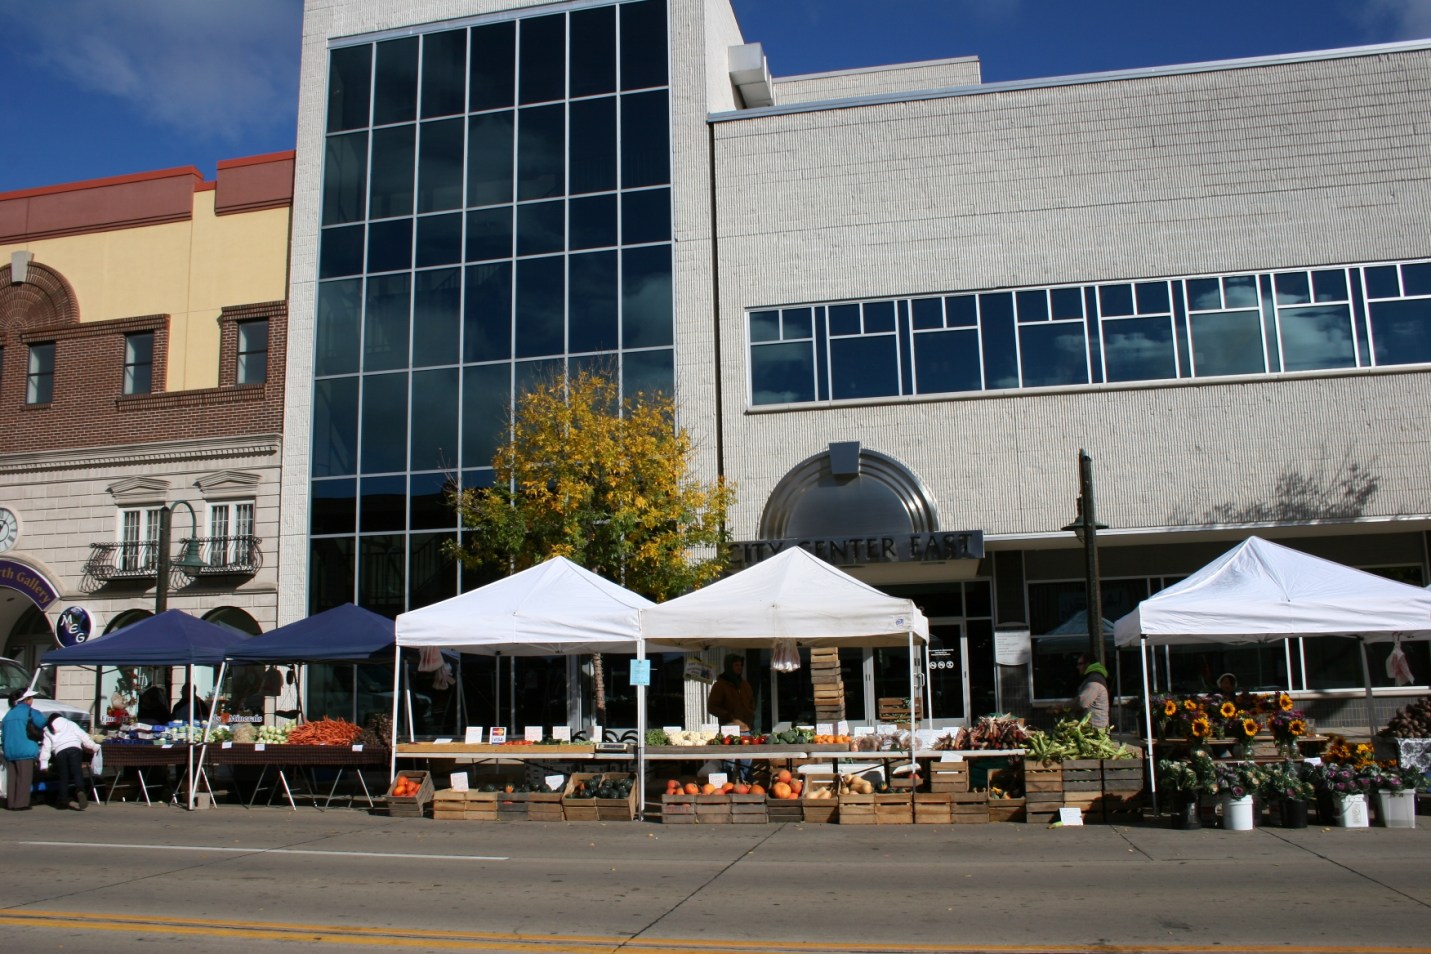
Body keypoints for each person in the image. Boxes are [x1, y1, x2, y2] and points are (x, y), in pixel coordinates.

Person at [707, 655, 756, 783]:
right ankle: (727, 788)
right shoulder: (719, 685)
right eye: (736, 665)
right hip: (729, 730)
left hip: (746, 729)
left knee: (747, 764)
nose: (740, 668)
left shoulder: (745, 684)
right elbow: (712, 707)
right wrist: (728, 715)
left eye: (741, 665)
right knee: (729, 764)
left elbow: (752, 701)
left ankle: (747, 788)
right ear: (729, 666)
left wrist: (751, 712)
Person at [38, 712, 98, 810]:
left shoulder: (48, 729)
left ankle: (63, 801)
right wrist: (94, 746)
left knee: (63, 776)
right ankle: (80, 790)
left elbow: (46, 748)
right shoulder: (70, 723)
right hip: (75, 748)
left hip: (60, 752)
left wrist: (44, 764)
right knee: (77, 772)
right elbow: (83, 736)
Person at [2, 688, 48, 810]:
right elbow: (43, 724)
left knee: (12, 779)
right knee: (24, 778)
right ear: (26, 700)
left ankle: (11, 803)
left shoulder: (9, 714)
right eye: (31, 698)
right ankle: (21, 803)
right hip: (25, 748)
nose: (32, 700)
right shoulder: (31, 712)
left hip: (10, 750)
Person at [1074, 654, 1110, 729]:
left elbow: (1082, 702)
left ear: (1087, 664)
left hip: (1096, 729)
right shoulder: (1092, 677)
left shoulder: (1094, 679)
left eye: (1080, 664)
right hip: (1093, 727)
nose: (1077, 667)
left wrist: (1063, 706)